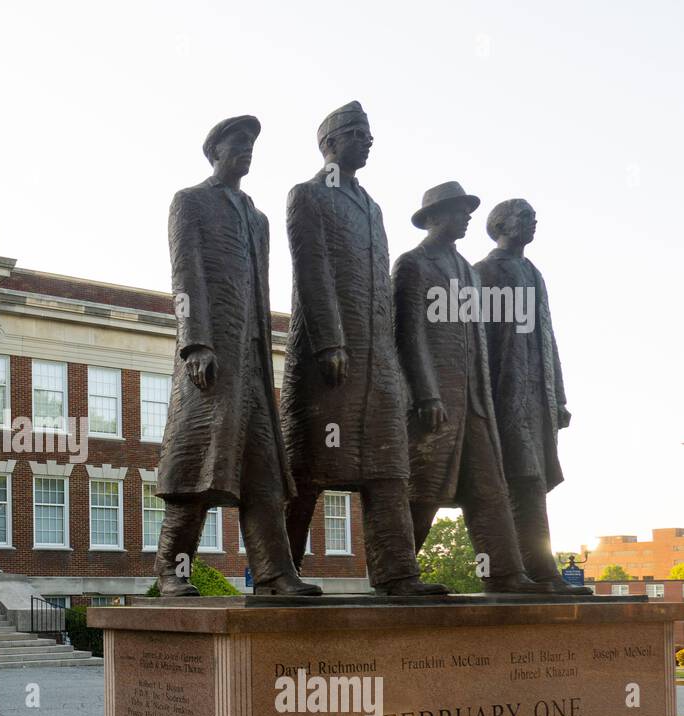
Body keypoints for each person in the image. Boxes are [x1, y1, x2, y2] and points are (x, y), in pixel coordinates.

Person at [281, 102, 446, 596]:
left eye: (369, 134)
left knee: (389, 467)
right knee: (308, 467)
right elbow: (311, 270)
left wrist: (395, 365)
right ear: (329, 144)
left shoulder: (372, 207)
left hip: (378, 362)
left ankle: (397, 573)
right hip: (327, 358)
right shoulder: (307, 195)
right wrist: (330, 340)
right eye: (356, 133)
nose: (368, 141)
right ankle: (279, 572)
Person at [153, 115, 319, 596]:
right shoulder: (191, 201)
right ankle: (172, 571)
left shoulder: (257, 217)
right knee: (195, 471)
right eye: (238, 144)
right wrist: (196, 342)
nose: (247, 151)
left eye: (251, 145)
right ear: (216, 152)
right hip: (210, 361)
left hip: (252, 365)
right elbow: (185, 276)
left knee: (265, 472)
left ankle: (274, 573)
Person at [393, 182, 548, 593]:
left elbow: (479, 340)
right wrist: (424, 393)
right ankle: (396, 574)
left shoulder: (467, 271)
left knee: (487, 490)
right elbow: (408, 334)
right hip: (436, 399)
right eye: (462, 211)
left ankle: (503, 573)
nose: (468, 218)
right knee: (423, 491)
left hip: (476, 401)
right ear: (437, 216)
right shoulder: (413, 264)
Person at [475, 199, 591, 594]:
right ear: (501, 224)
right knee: (515, 479)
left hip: (536, 398)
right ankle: (520, 571)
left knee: (534, 479)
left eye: (534, 218)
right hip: (503, 397)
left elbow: (548, 340)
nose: (533, 223)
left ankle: (535, 570)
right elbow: (477, 344)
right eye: (525, 217)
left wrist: (557, 396)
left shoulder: (534, 273)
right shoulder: (484, 271)